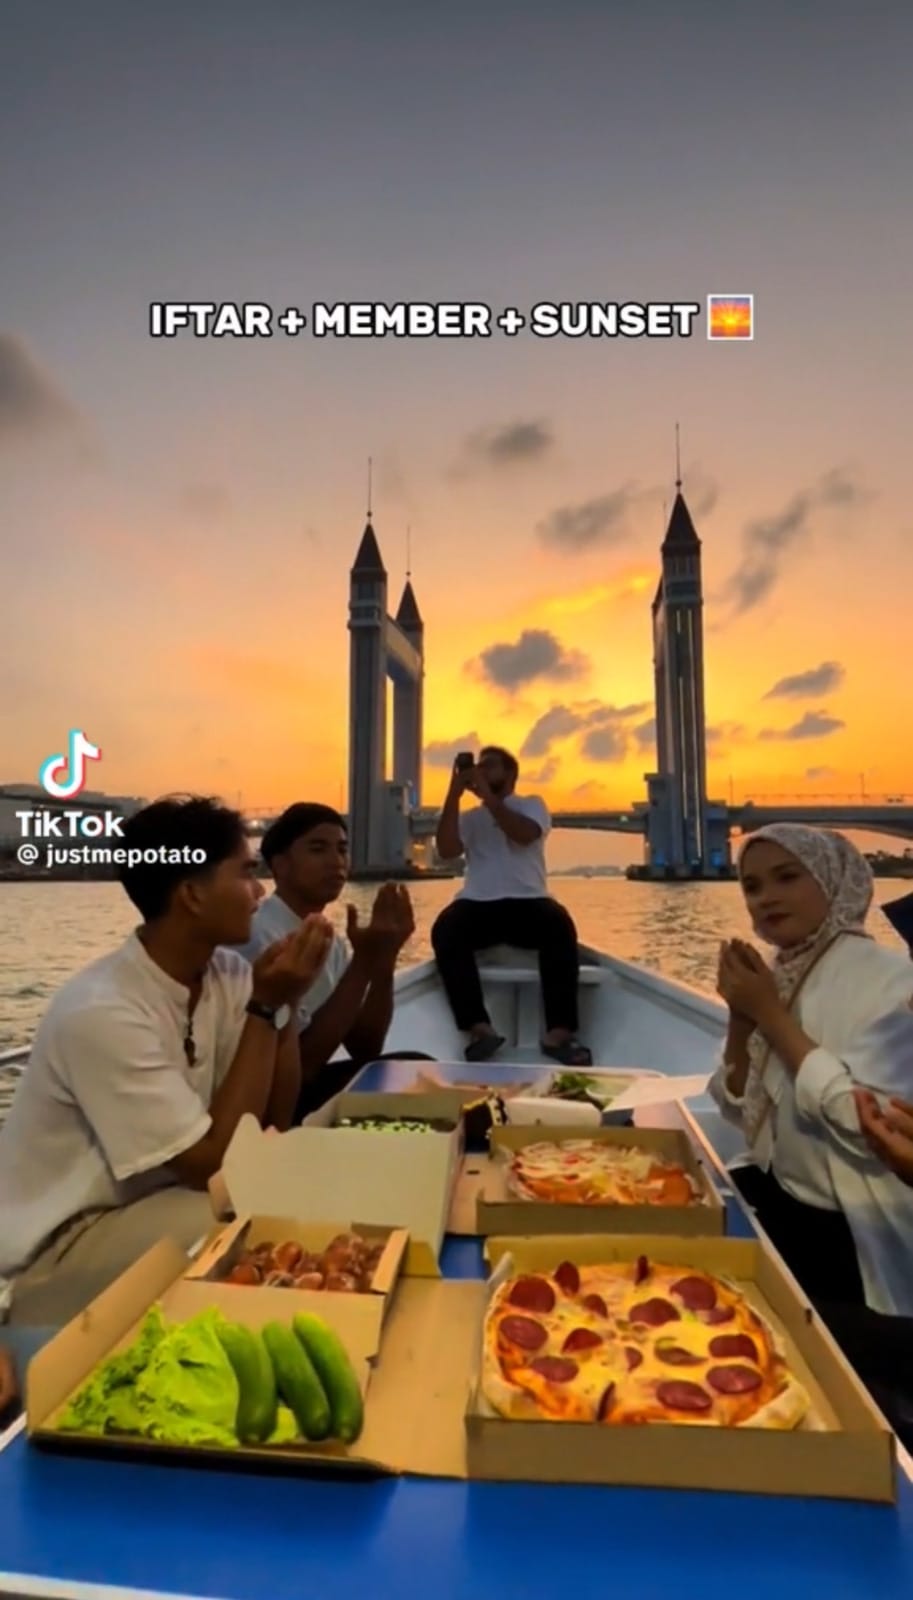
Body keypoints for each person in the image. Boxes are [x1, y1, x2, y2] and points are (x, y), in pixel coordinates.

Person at [0, 796, 333, 1328]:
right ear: (192, 895)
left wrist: (285, 1005)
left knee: (304, 1195)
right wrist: (268, 1005)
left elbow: (275, 1119)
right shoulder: (102, 1010)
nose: (259, 892)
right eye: (245, 873)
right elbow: (213, 1167)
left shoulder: (227, 974)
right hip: (65, 1250)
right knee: (270, 1223)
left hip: (168, 1204)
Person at [709, 823, 913, 1316]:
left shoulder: (892, 982)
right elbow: (737, 1105)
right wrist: (742, 1019)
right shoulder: (785, 971)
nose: (766, 898)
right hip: (783, 1195)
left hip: (849, 1235)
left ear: (831, 880)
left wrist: (773, 1018)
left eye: (786, 877)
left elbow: (871, 1128)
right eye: (752, 887)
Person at [237, 803, 419, 1118]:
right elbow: (303, 1065)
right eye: (318, 849)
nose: (336, 861)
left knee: (413, 1068)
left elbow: (365, 1046)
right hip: (272, 1103)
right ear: (280, 865)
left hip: (308, 1084)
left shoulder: (326, 939)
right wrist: (363, 961)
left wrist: (383, 958)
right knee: (408, 1084)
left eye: (342, 850)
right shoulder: (263, 936)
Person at [431, 745, 591, 1065]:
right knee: (446, 930)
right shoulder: (469, 818)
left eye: (490, 766)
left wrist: (489, 798)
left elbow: (524, 835)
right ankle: (479, 1028)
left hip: (529, 902)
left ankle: (558, 1032)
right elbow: (447, 850)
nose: (482, 771)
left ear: (510, 774)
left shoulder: (532, 805)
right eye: (479, 766)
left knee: (559, 926)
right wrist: (454, 791)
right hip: (477, 903)